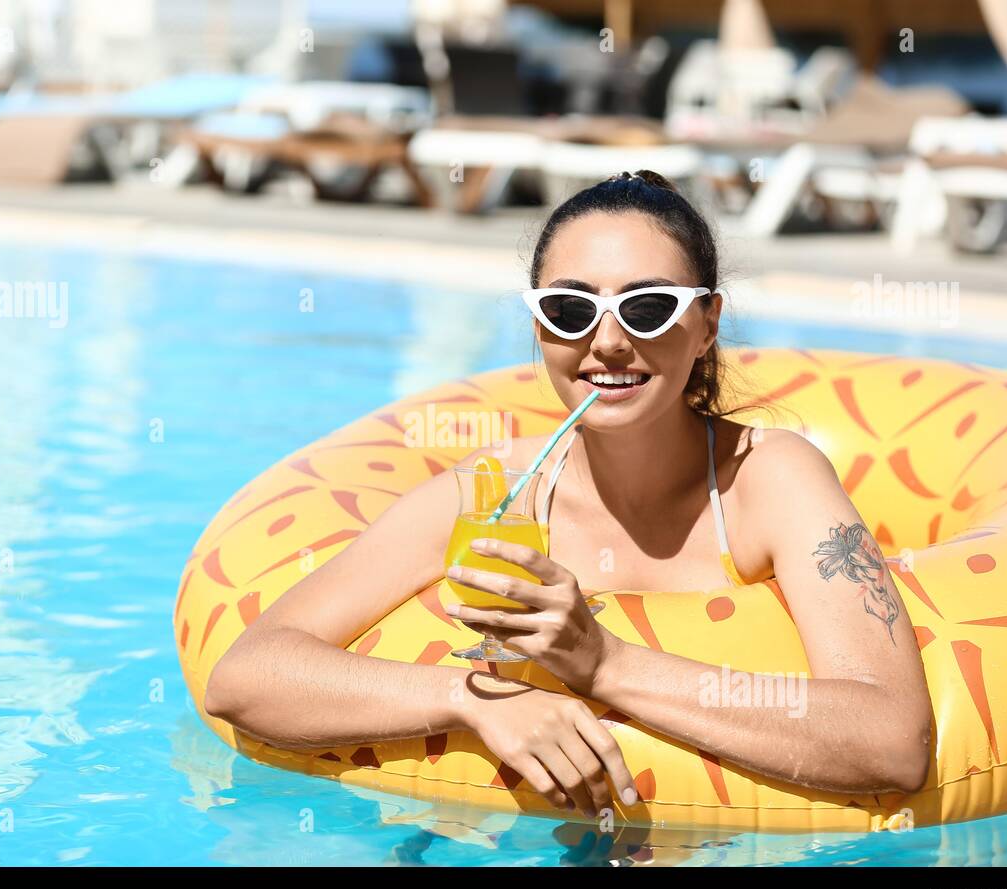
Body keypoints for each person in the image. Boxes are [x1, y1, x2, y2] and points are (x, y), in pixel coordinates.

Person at [205, 171, 933, 819]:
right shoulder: (492, 496)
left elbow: (892, 739)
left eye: (648, 308)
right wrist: (473, 700)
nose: (607, 341)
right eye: (568, 308)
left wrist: (604, 664)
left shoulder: (767, 480)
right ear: (537, 325)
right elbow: (247, 674)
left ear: (707, 323)